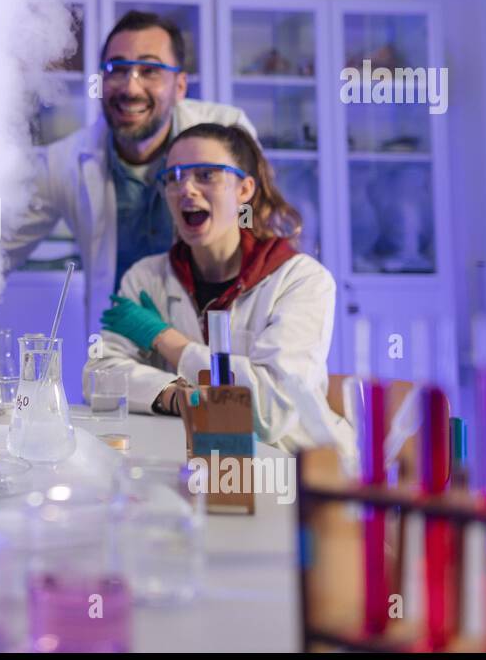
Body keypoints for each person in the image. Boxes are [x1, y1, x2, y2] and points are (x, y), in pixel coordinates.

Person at [84, 122, 353, 458]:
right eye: (174, 177)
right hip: (190, 462)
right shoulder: (146, 277)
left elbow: (271, 412)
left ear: (244, 190)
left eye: (206, 175)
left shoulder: (300, 279)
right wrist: (177, 396)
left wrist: (168, 340)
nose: (186, 189)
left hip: (296, 472)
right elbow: (100, 376)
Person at [2, 10, 258, 337]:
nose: (130, 87)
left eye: (150, 70)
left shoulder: (225, 135)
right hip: (120, 347)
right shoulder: (63, 162)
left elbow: (258, 229)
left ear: (180, 85)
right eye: (117, 70)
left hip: (213, 335)